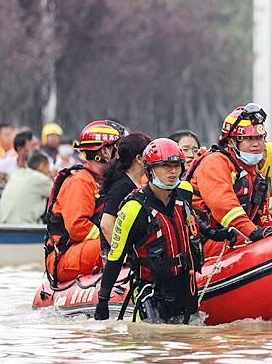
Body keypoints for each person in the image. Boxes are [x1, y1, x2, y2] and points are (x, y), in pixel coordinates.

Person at [94, 138, 239, 323]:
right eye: (165, 166)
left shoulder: (184, 191)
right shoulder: (133, 208)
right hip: (152, 292)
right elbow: (115, 257)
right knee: (155, 341)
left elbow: (192, 221)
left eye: (176, 166)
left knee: (189, 340)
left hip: (185, 288)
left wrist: (217, 234)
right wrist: (103, 301)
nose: (172, 171)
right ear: (150, 169)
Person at [188, 104, 272, 257]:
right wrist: (254, 232)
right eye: (249, 139)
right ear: (231, 142)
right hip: (209, 241)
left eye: (259, 138)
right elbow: (224, 207)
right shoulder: (215, 163)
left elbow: (263, 218)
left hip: (237, 239)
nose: (256, 144)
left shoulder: (255, 175)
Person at [44, 120, 126, 284]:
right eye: (119, 149)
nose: (122, 155)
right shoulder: (80, 182)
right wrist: (115, 239)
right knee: (119, 246)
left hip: (85, 249)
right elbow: (77, 227)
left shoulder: (106, 181)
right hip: (66, 256)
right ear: (104, 152)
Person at [98, 132, 152, 248]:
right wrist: (122, 255)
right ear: (138, 159)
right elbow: (106, 224)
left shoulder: (136, 182)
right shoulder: (122, 186)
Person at [0, 151, 53, 224]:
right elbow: (60, 193)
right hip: (23, 228)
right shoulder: (41, 179)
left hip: (1, 225)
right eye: (48, 166)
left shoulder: (16, 174)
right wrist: (55, 178)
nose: (49, 170)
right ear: (41, 165)